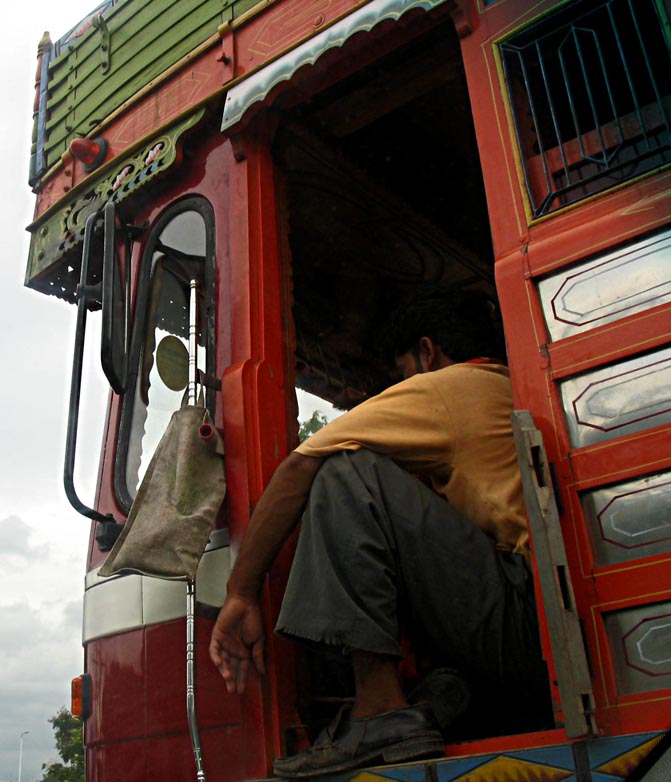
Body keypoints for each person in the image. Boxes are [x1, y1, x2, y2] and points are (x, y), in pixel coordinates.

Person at [209, 287, 549, 778]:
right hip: (540, 622)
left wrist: (240, 593)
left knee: (346, 472)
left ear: (428, 353)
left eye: (404, 373)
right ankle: (443, 690)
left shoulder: (450, 387)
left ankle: (379, 710)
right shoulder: (506, 385)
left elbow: (299, 466)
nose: (404, 388)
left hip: (523, 617)